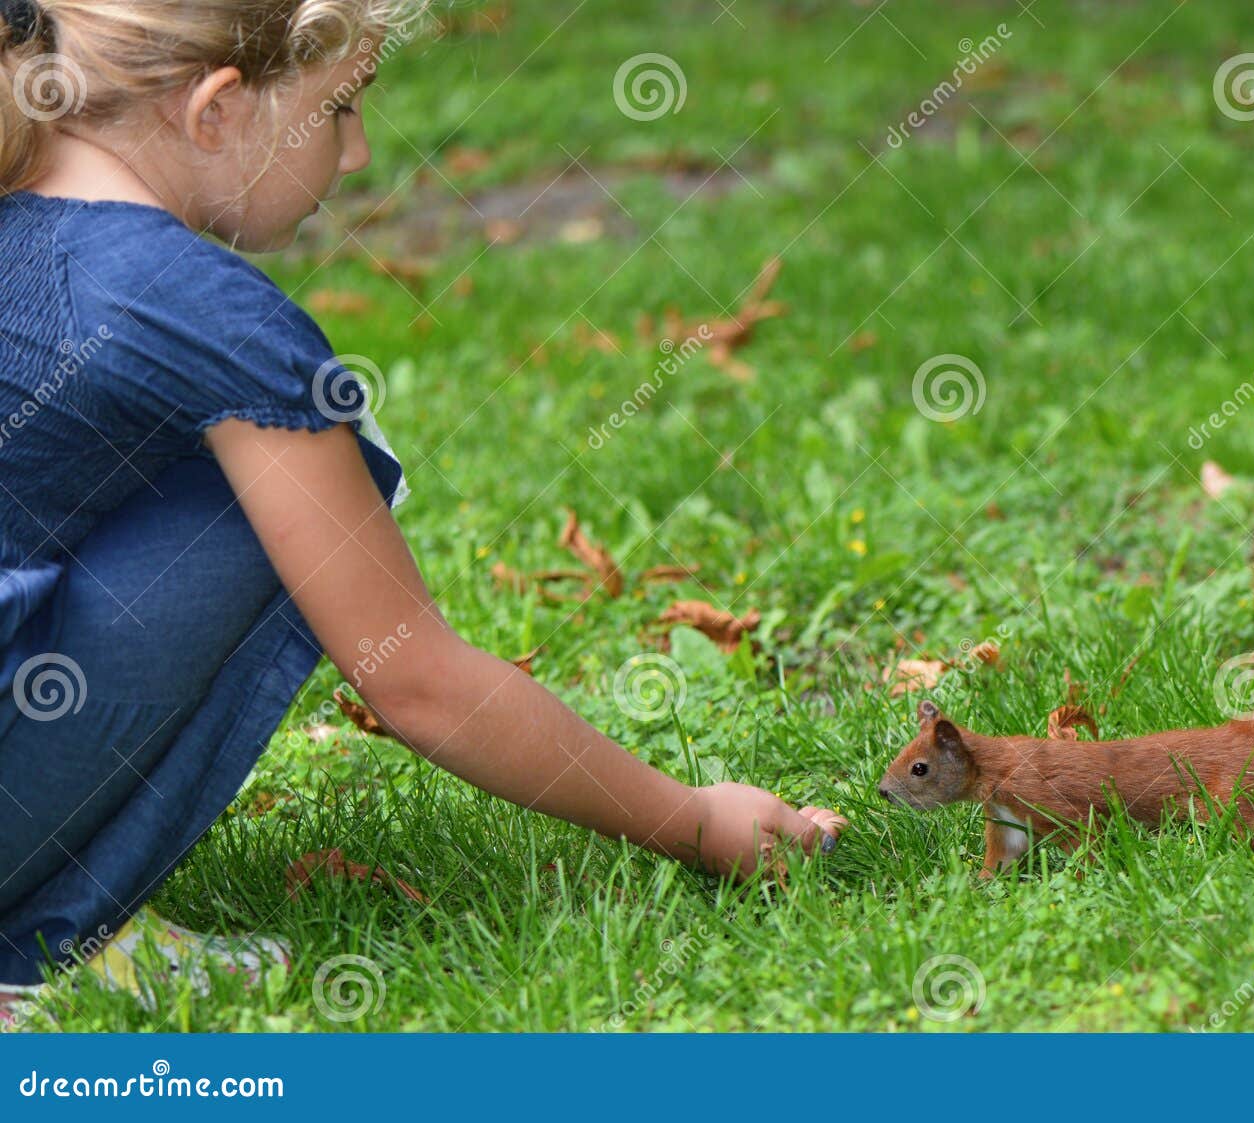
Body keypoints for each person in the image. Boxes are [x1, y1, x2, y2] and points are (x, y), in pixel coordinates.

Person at [0, 0, 845, 1013]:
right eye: (343, 108)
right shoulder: (208, 316)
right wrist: (697, 817)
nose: (357, 156)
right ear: (217, 109)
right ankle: (41, 936)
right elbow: (418, 681)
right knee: (293, 484)